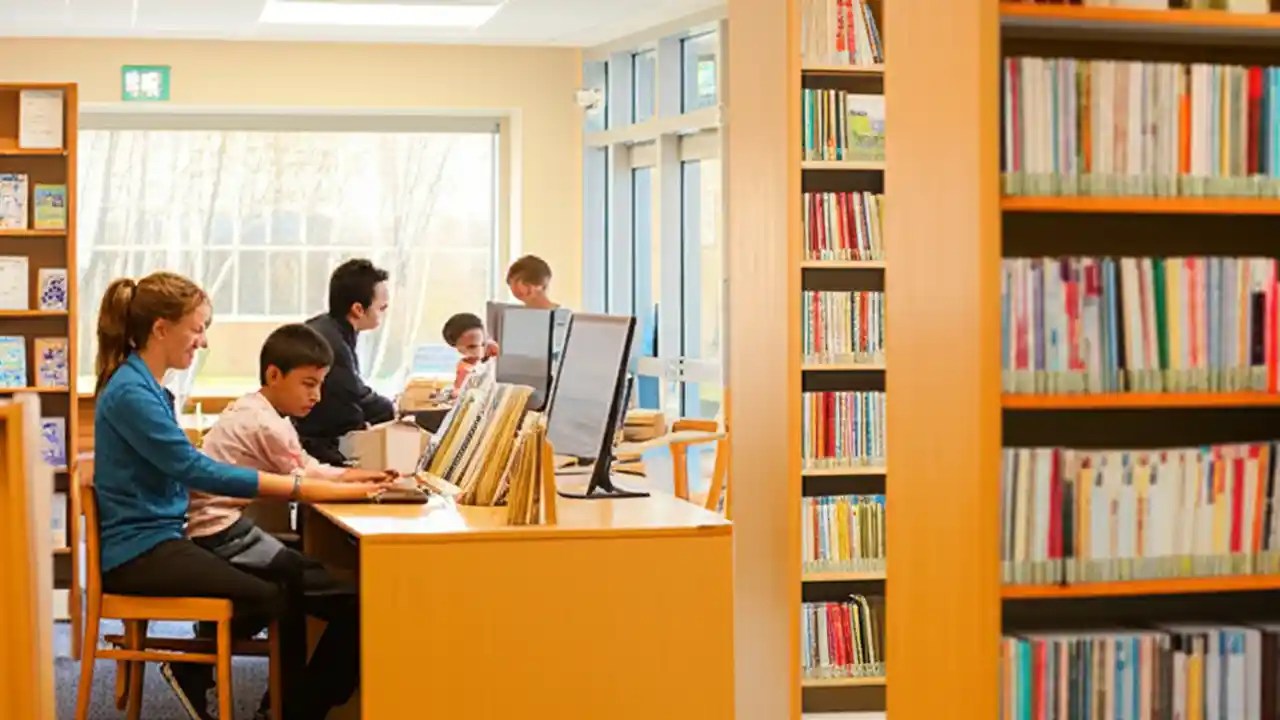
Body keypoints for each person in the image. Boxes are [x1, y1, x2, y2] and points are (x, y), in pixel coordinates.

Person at [90, 271, 391, 720]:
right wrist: (296, 487)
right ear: (160, 329)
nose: (203, 342)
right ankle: (233, 687)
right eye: (198, 328)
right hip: (143, 549)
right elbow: (193, 469)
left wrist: (330, 483)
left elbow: (187, 466)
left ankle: (282, 705)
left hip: (159, 536)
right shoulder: (132, 392)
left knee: (283, 587)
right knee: (277, 594)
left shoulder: (146, 386)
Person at [188, 323, 397, 717]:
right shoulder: (264, 423)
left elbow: (307, 468)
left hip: (221, 530)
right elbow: (307, 480)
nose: (316, 396)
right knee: (357, 603)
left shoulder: (258, 408)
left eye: (320, 385)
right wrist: (365, 490)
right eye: (308, 384)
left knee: (313, 589)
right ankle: (301, 707)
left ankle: (285, 704)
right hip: (222, 536)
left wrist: (359, 476)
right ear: (273, 375)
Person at [297, 259, 396, 466]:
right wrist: (393, 410)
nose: (383, 314)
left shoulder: (324, 327)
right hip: (317, 449)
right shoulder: (332, 344)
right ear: (358, 309)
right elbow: (353, 401)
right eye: (381, 308)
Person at [441, 312, 496, 392]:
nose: (480, 350)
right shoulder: (465, 368)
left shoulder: (495, 357)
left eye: (484, 343)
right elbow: (460, 392)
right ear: (458, 349)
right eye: (472, 347)